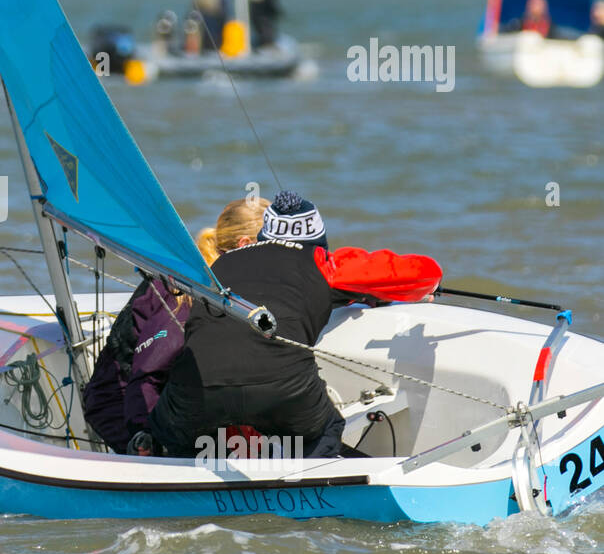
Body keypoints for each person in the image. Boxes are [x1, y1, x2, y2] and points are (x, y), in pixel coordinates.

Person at [146, 190, 442, 461]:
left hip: (198, 389)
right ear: (318, 239)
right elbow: (423, 272)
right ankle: (308, 494)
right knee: (327, 428)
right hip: (283, 391)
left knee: (166, 428)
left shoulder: (218, 265)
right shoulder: (325, 263)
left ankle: (176, 474)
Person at [82, 197, 269, 454]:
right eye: (272, 249)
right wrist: (145, 439)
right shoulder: (185, 294)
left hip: (174, 400)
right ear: (245, 245)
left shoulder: (229, 288)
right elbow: (148, 375)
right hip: (123, 404)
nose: (278, 260)